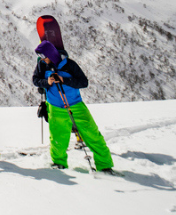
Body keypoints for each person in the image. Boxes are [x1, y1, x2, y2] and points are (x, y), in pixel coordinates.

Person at [32, 40, 115, 173]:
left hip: (75, 104)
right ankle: (59, 163)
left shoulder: (69, 65)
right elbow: (35, 80)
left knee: (92, 134)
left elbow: (83, 82)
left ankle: (104, 165)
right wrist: (46, 82)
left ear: (51, 55)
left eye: (44, 56)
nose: (42, 59)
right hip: (55, 106)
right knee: (58, 138)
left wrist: (64, 80)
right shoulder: (42, 66)